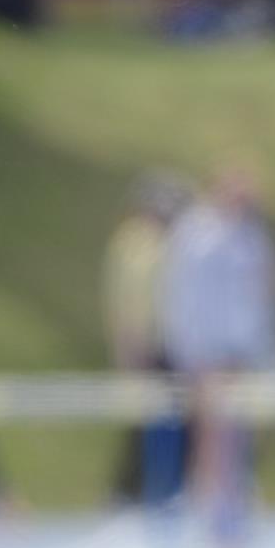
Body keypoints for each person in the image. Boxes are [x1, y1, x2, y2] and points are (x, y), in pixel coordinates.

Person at [160, 162, 275, 548]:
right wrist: (187, 347)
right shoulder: (196, 233)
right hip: (207, 349)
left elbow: (267, 289)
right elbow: (182, 292)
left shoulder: (252, 235)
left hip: (242, 349)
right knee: (212, 433)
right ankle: (213, 512)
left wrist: (266, 344)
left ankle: (235, 505)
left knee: (237, 433)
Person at [105, 172, 193, 507]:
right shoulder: (134, 244)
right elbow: (127, 299)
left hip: (173, 342)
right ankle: (130, 492)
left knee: (175, 419)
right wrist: (130, 344)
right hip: (149, 342)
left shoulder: (173, 242)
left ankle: (168, 488)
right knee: (147, 421)